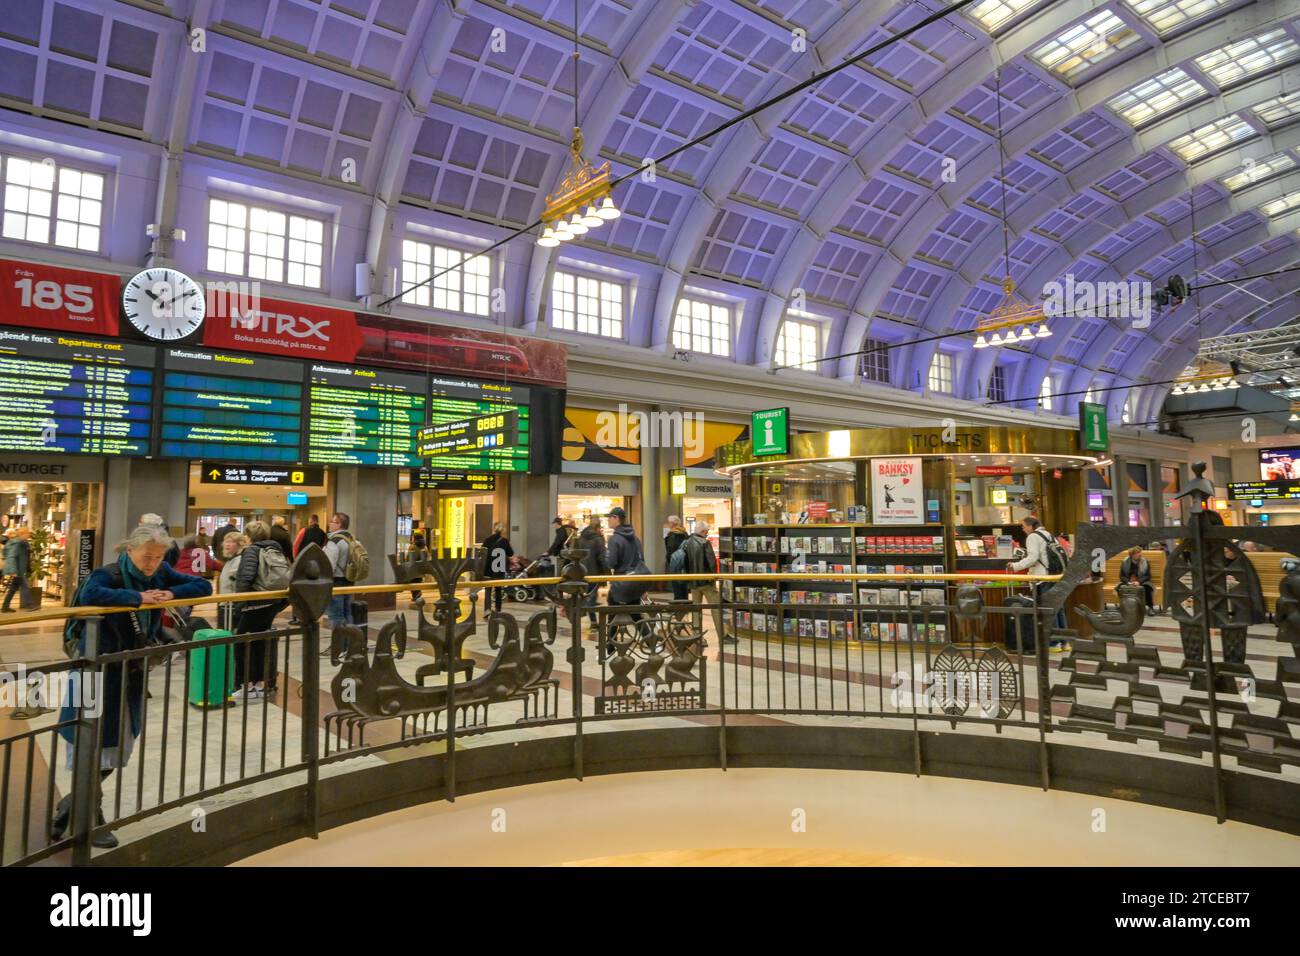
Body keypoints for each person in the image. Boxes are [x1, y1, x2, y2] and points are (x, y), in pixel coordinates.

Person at [53, 523, 211, 848]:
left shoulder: (162, 572)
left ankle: (72, 806)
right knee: (87, 739)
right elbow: (90, 594)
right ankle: (89, 819)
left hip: (129, 672)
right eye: (145, 557)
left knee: (117, 742)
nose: (151, 564)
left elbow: (202, 586)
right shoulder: (108, 574)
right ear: (129, 551)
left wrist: (171, 593)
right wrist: (137, 597)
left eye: (157, 557)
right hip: (93, 669)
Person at [225, 521, 288, 701]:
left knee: (241, 641)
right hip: (271, 602)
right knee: (260, 642)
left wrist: (240, 603)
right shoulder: (275, 549)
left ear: (248, 536)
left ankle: (246, 686)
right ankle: (260, 685)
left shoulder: (251, 551)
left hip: (255, 602)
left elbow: (246, 577)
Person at [1007, 516, 1067, 647]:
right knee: (1058, 609)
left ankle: (1053, 642)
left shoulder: (1033, 537)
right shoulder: (1049, 535)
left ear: (1030, 526)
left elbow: (1033, 558)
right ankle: (1064, 642)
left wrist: (1015, 566)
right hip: (1055, 576)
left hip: (1043, 578)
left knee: (1047, 609)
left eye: (1023, 526)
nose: (1023, 530)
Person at [605, 507, 651, 640]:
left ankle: (609, 649)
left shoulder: (615, 539)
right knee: (635, 614)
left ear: (616, 519)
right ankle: (651, 643)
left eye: (610, 517)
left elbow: (611, 563)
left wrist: (606, 558)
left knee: (612, 615)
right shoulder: (635, 538)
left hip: (620, 582)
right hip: (635, 581)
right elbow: (641, 560)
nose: (608, 520)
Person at [682, 520, 730, 644]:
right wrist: (714, 579)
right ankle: (722, 636)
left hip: (693, 582)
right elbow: (712, 563)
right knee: (716, 607)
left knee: (696, 610)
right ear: (703, 531)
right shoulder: (705, 543)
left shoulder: (686, 543)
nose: (707, 534)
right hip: (706, 582)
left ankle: (697, 637)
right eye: (707, 532)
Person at [324, 512, 356, 640]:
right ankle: (350, 643)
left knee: (336, 615)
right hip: (350, 581)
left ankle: (339, 645)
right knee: (348, 613)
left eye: (332, 521)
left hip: (336, 582)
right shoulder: (353, 539)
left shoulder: (334, 541)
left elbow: (329, 565)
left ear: (339, 524)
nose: (329, 524)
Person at [577, 514, 608, 626]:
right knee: (591, 597)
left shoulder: (581, 537)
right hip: (595, 572)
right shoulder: (598, 539)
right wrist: (607, 574)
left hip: (582, 571)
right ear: (598, 527)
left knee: (588, 596)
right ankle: (593, 620)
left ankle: (587, 616)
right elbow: (602, 558)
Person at [480, 523, 514, 612]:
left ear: (493, 529)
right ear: (502, 530)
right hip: (499, 568)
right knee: (498, 590)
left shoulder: (487, 540)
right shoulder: (505, 541)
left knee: (488, 589)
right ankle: (498, 609)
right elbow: (511, 553)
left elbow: (482, 552)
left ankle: (487, 609)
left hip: (489, 567)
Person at [1, 527, 35, 612]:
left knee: (13, 589)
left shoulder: (21, 542)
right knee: (25, 586)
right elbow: (11, 556)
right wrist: (13, 570)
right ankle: (29, 605)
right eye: (27, 533)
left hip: (19, 569)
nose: (28, 535)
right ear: (22, 534)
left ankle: (5, 606)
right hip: (17, 570)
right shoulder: (17, 543)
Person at [1119, 546, 1155, 612]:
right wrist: (1128, 582)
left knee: (1147, 588)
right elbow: (1121, 576)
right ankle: (1124, 607)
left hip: (1142, 581)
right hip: (1129, 581)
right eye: (1137, 553)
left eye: (1140, 552)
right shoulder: (1124, 562)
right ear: (1132, 555)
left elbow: (1148, 576)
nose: (1140, 554)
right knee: (1119, 588)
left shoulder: (1145, 561)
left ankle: (1150, 607)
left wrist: (1139, 582)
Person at [664, 516, 689, 600]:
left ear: (672, 524)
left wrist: (669, 562)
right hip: (685, 562)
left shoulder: (672, 535)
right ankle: (684, 602)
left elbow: (670, 550)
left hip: (675, 563)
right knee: (683, 584)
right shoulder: (685, 533)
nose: (668, 524)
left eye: (669, 523)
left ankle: (679, 604)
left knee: (676, 585)